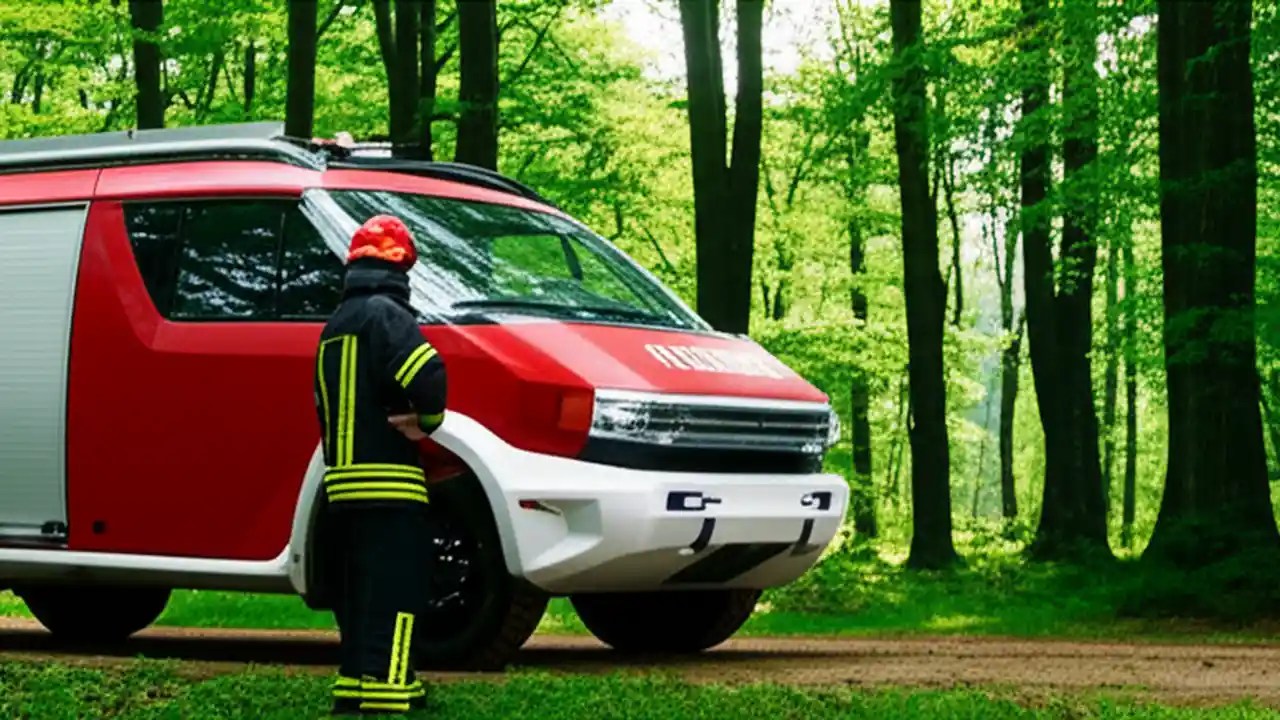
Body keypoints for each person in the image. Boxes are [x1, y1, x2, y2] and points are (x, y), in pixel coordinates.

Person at [313, 214, 447, 716]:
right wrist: (425, 422)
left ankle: (354, 685)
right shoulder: (386, 316)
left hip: (341, 490)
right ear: (401, 269)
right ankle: (392, 692)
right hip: (392, 485)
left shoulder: (334, 325)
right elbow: (429, 374)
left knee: (357, 595)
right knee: (397, 590)